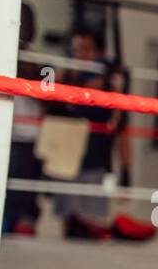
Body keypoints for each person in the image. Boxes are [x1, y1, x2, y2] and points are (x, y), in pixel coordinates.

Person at [46, 27, 132, 240]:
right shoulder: (64, 74)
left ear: (98, 53)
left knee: (91, 224)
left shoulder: (110, 79)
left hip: (95, 160)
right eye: (76, 49)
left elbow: (121, 127)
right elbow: (49, 102)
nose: (80, 54)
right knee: (68, 225)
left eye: (86, 49)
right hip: (65, 159)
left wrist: (126, 172)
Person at [2, 2, 44, 236]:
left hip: (28, 138)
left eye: (26, 22)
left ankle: (19, 225)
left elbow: (50, 93)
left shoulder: (39, 62)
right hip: (6, 131)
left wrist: (32, 72)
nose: (23, 28)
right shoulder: (3, 53)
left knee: (23, 192)